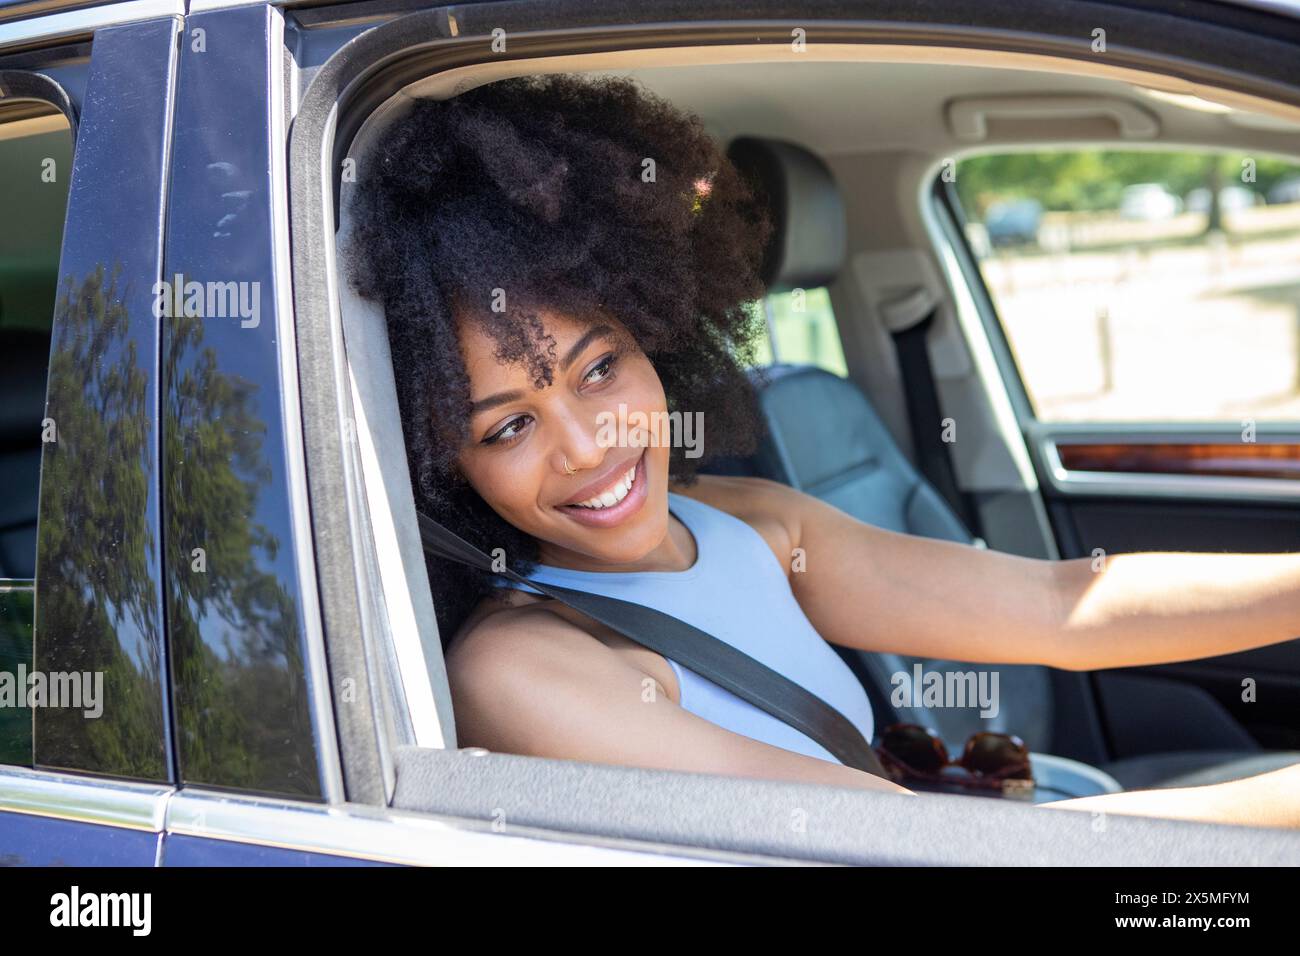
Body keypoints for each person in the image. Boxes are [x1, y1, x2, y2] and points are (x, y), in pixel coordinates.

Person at [345, 73, 1300, 830]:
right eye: (507, 425)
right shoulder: (519, 671)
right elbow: (906, 847)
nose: (591, 445)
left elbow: (1059, 609)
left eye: (601, 368)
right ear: (439, 459)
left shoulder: (742, 519)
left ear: (656, 335)